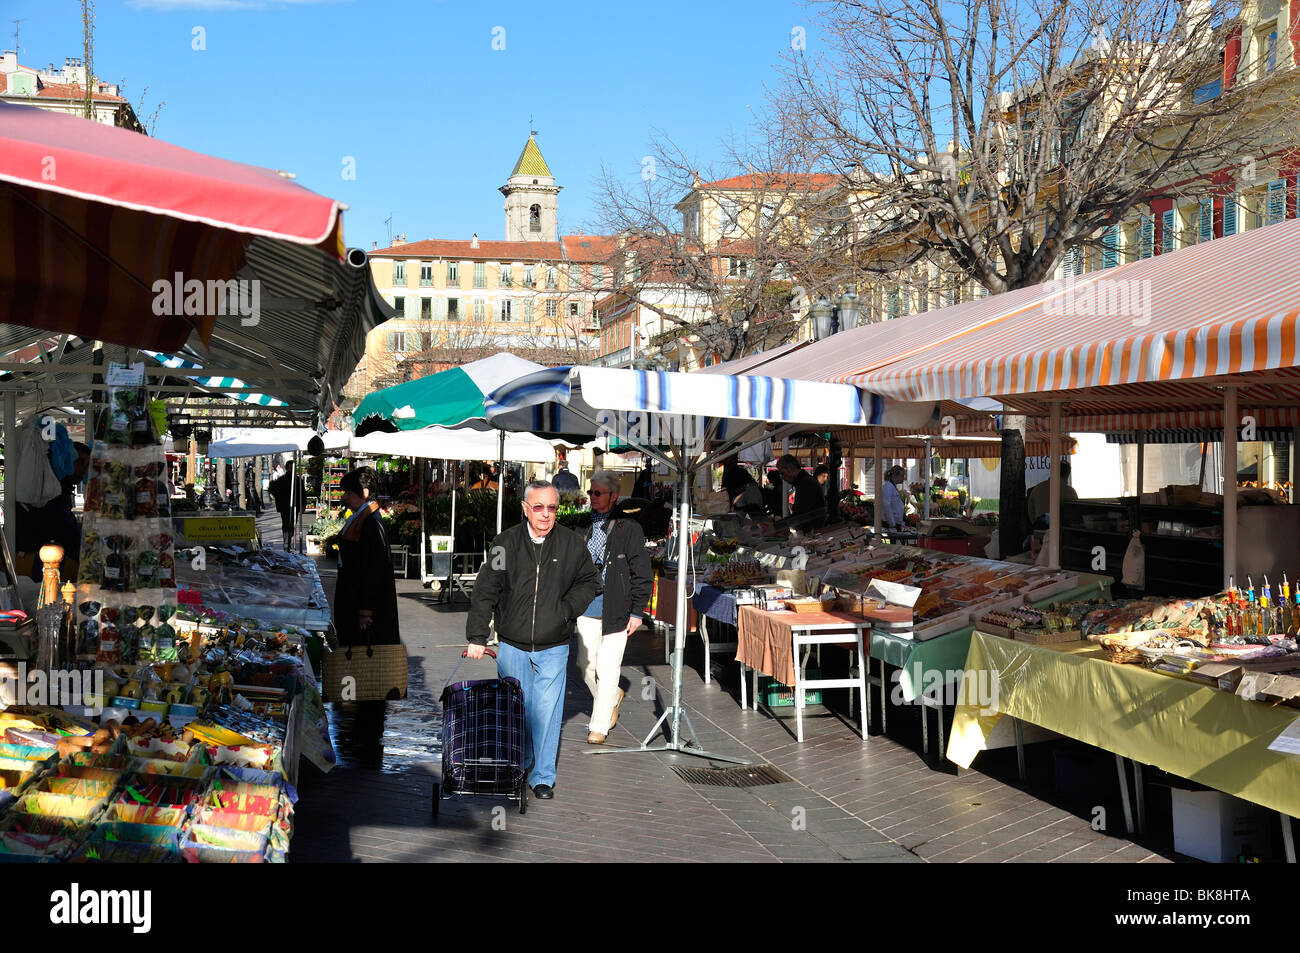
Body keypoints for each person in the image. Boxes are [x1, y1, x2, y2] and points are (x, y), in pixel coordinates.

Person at [466, 480, 598, 799]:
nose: (545, 514)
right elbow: (486, 590)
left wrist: (565, 610)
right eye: (538, 507)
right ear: (525, 509)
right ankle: (519, 765)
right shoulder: (504, 543)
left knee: (548, 711)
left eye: (551, 507)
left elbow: (590, 582)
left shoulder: (571, 544)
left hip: (554, 644)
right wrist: (477, 636)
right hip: (512, 643)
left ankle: (542, 777)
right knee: (517, 709)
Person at [573, 470, 652, 745]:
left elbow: (642, 570)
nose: (592, 497)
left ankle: (600, 724)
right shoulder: (581, 526)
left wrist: (637, 611)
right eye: (590, 492)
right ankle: (612, 696)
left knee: (608, 668)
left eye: (597, 493)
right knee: (584, 666)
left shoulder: (628, 528)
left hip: (618, 606)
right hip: (586, 605)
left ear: (613, 496)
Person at [333, 467, 400, 761]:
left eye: (347, 493)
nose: (344, 498)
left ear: (363, 494)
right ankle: (365, 726)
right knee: (363, 665)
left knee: (368, 665)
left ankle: (369, 732)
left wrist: (365, 611)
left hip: (367, 611)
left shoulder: (371, 523)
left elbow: (372, 570)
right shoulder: (364, 519)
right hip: (358, 604)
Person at [1027, 461, 1078, 529]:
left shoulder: (1037, 489)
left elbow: (1030, 513)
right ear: (1067, 474)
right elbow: (1074, 513)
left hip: (1039, 530)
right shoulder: (1070, 491)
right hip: (1061, 531)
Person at [776, 454, 824, 525]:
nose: (782, 477)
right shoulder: (803, 482)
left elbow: (802, 515)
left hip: (813, 530)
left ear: (791, 468)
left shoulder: (806, 483)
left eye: (782, 473)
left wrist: (779, 525)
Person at [269, 460, 306, 547]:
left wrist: (303, 505)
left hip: (295, 505)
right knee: (285, 524)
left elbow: (303, 493)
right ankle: (286, 541)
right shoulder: (281, 480)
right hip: (285, 506)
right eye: (290, 468)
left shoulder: (298, 480)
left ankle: (288, 539)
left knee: (293, 524)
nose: (292, 469)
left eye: (293, 468)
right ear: (287, 468)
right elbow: (274, 490)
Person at [881, 465, 908, 531]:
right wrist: (892, 523)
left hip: (895, 524)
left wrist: (901, 523)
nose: (903, 478)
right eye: (902, 476)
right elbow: (886, 505)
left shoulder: (892, 487)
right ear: (895, 475)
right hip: (891, 526)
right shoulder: (888, 487)